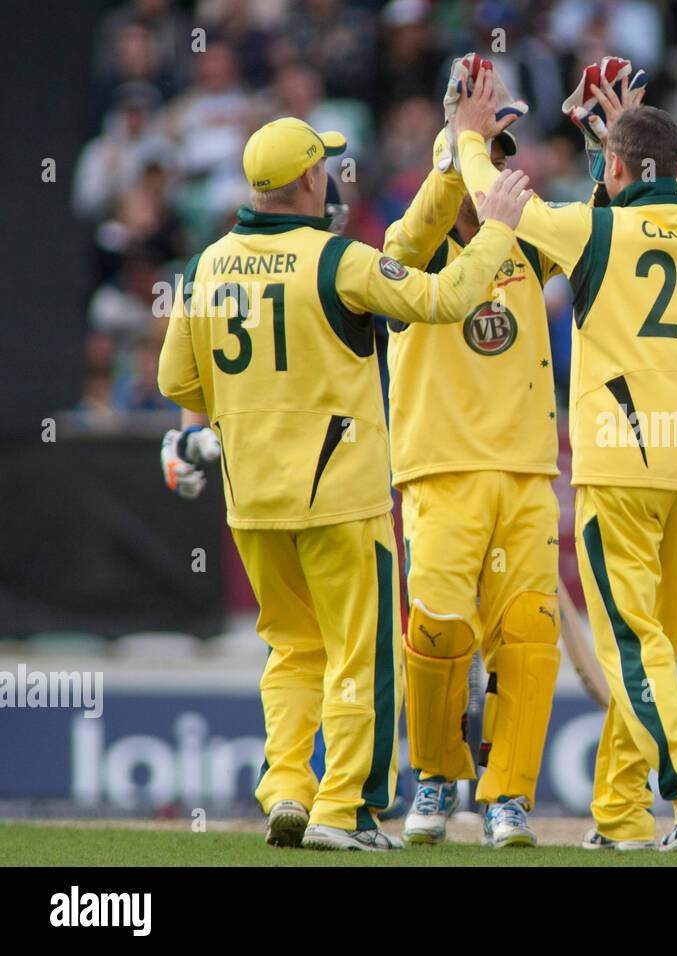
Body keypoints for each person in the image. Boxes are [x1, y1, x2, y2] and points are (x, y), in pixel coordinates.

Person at [157, 116, 532, 851]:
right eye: (324, 164)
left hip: (253, 503)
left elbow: (180, 381)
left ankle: (288, 789)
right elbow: (444, 300)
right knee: (358, 654)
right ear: (306, 179)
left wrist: (204, 433)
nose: (330, 173)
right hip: (340, 498)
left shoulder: (204, 266)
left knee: (292, 652)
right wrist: (495, 232)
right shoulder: (340, 260)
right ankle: (346, 810)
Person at [453, 64, 677, 851]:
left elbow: (496, 203)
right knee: (649, 647)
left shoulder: (593, 230)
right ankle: (619, 815)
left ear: (614, 170)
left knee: (631, 647)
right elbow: (657, 192)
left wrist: (470, 141)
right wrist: (615, 141)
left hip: (623, 462)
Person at [382, 122, 563, 849]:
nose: (503, 180)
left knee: (527, 640)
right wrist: (459, 152)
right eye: (486, 163)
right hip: (440, 471)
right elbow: (411, 239)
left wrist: (602, 140)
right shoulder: (408, 249)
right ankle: (433, 776)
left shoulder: (529, 241)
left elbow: (602, 234)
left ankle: (507, 797)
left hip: (524, 473)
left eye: (503, 164)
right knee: (437, 634)